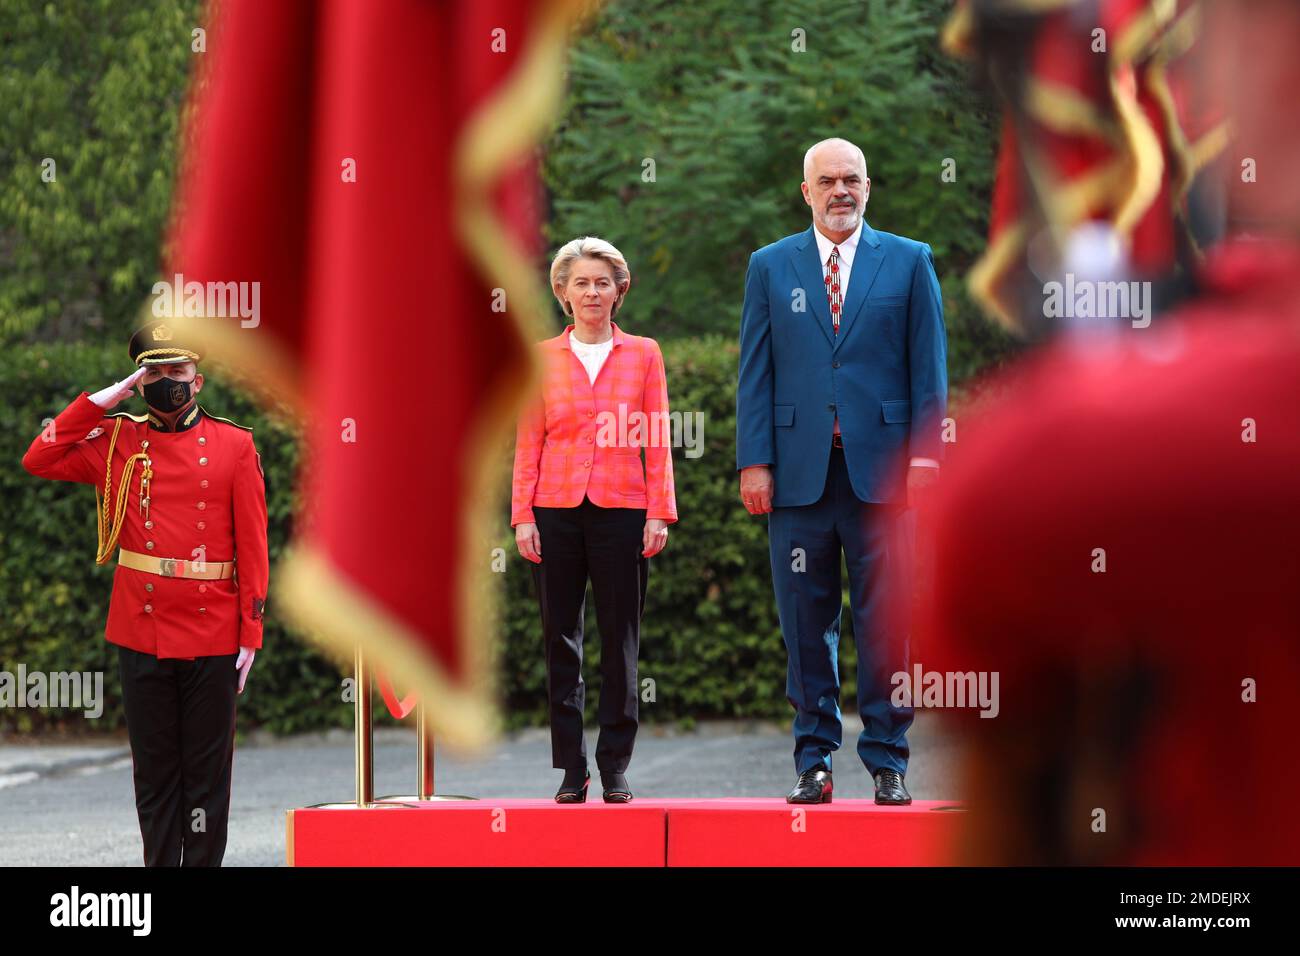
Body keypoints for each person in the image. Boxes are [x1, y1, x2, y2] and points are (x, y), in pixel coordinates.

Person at [736, 138, 948, 805]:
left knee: (889, 623)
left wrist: (926, 456)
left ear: (868, 186)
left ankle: (888, 761)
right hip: (797, 477)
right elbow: (755, 372)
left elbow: (929, 365)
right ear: (806, 191)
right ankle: (814, 761)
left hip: (886, 479)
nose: (840, 190)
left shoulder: (910, 261)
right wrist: (754, 460)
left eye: (851, 178)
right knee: (805, 624)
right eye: (826, 180)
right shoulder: (770, 266)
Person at [22, 321, 269, 866]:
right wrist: (103, 400)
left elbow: (253, 546)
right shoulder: (118, 441)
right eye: (153, 374)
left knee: (206, 777)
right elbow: (39, 456)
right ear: (138, 382)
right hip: (142, 628)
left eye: (177, 371)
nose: (166, 382)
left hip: (212, 631)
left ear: (197, 380)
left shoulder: (234, 444)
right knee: (154, 776)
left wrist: (250, 632)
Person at [512, 236, 677, 804]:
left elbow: (658, 436)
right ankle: (571, 768)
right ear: (563, 292)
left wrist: (659, 511)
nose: (591, 292)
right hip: (553, 512)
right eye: (580, 282)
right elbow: (528, 440)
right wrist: (522, 515)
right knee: (561, 641)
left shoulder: (644, 354)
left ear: (619, 291)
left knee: (619, 640)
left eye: (602, 282)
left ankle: (614, 766)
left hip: (623, 511)